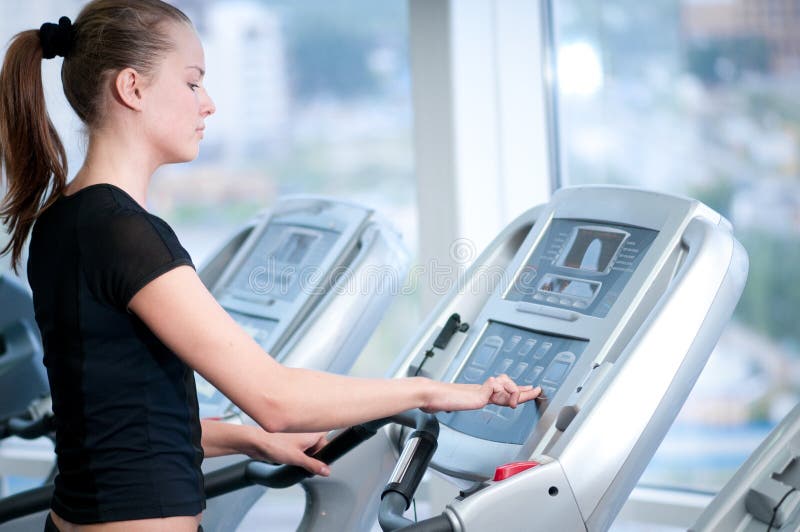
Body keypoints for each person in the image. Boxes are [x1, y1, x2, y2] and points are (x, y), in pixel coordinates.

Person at [0, 2, 541, 531]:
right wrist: (432, 391)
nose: (207, 104)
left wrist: (245, 438)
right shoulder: (127, 233)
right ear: (132, 87)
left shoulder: (60, 220)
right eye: (192, 83)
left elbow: (117, 420)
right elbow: (276, 399)